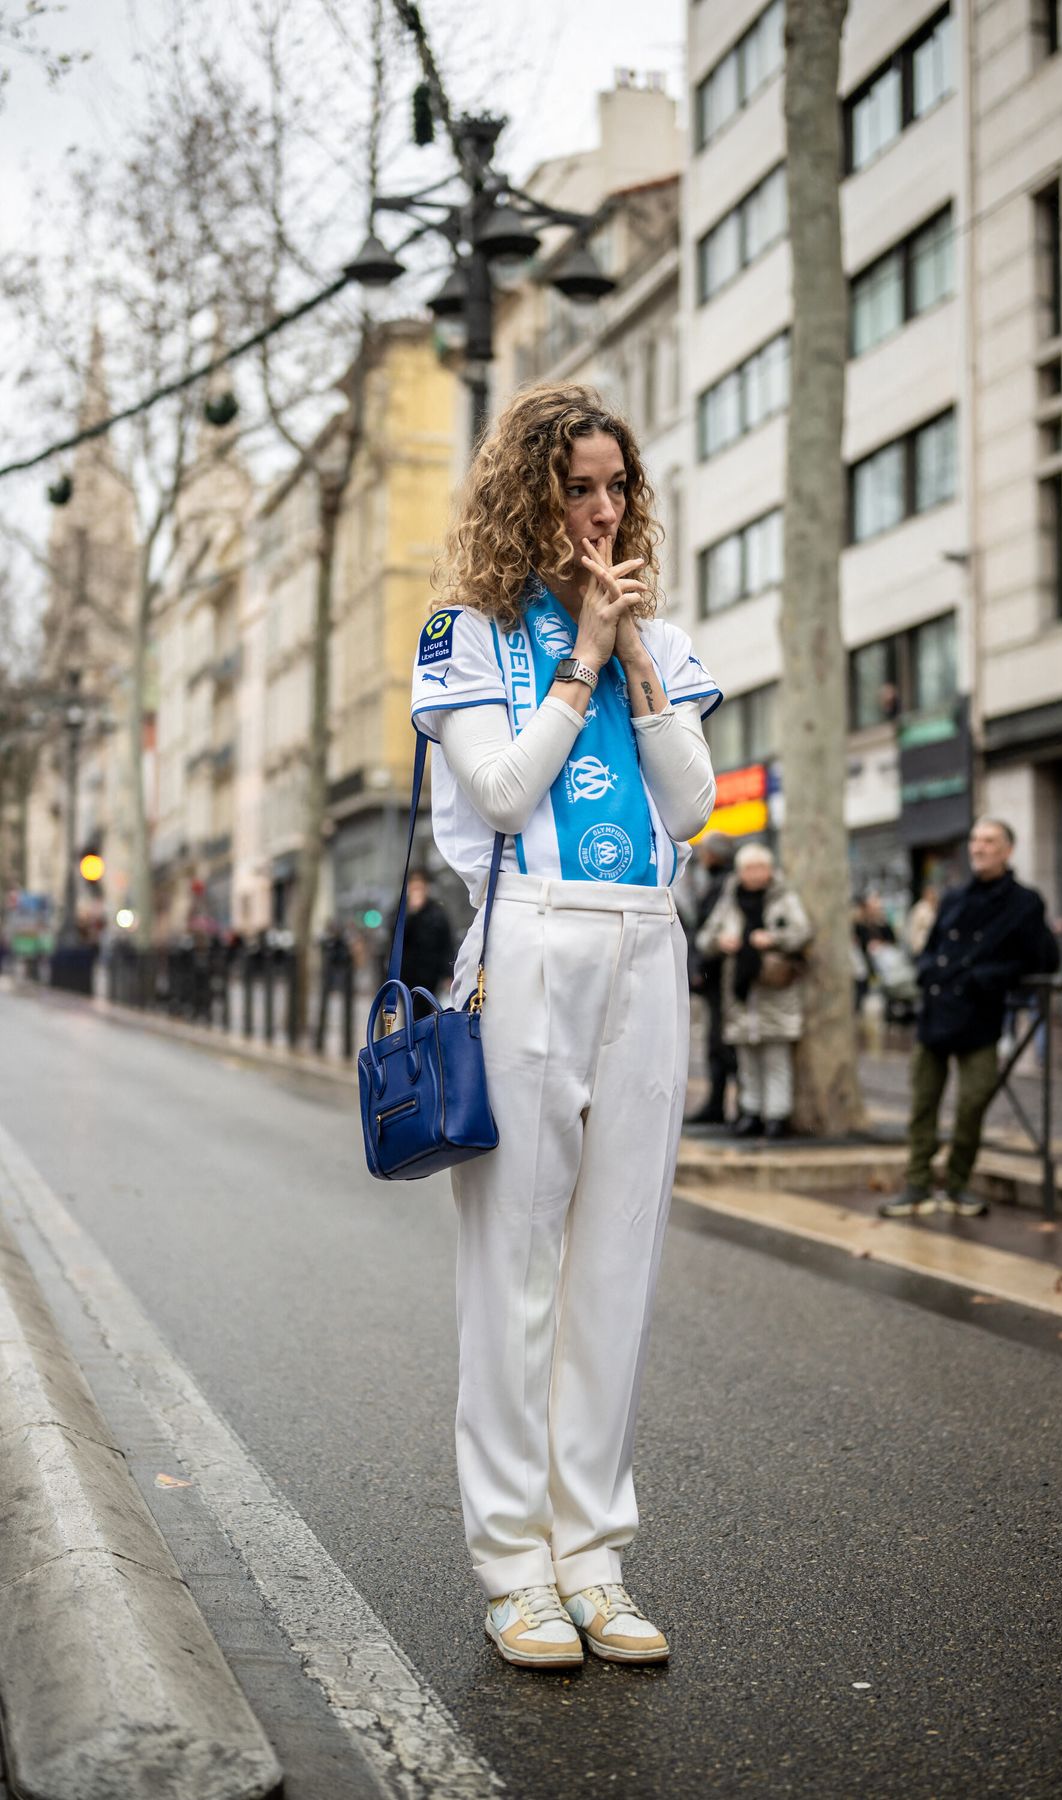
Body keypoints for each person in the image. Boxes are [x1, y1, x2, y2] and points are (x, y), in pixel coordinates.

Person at [409, 383, 720, 1671]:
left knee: (614, 1271)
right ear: (530, 495)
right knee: (516, 1271)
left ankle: (592, 1552)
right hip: (528, 936)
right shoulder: (467, 631)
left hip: (647, 938)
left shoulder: (662, 632)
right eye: (576, 488)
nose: (601, 511)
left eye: (615, 488)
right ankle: (512, 1564)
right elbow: (496, 788)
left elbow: (694, 804)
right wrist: (582, 657)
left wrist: (638, 657)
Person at [880, 817, 1052, 1221]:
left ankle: (958, 1183)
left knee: (973, 1104)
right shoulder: (954, 897)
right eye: (975, 840)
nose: (978, 848)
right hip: (936, 1010)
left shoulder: (1025, 902)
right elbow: (932, 946)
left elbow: (1040, 960)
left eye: (989, 841)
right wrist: (926, 971)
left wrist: (986, 978)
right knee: (923, 1104)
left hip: (980, 1015)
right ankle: (918, 1184)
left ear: (1008, 849)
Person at [695, 841, 812, 1141]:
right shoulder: (730, 899)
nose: (755, 874)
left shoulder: (783, 898)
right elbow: (705, 937)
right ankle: (750, 1112)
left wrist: (773, 938)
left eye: (761, 867)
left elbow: (802, 931)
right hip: (740, 994)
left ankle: (776, 1116)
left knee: (775, 1057)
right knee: (746, 1059)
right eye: (749, 868)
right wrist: (722, 941)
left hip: (775, 991)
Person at [684, 832, 738, 1124]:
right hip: (714, 977)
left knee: (723, 1043)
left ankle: (727, 1105)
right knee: (717, 1043)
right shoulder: (716, 883)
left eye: (706, 852)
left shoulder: (725, 886)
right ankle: (718, 1103)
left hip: (722, 978)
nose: (702, 857)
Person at [398, 868, 453, 999]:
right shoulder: (401, 909)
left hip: (431, 975)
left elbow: (446, 943)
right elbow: (396, 938)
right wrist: (412, 912)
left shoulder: (436, 911)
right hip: (407, 974)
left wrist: (448, 974)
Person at [905, 884, 939, 959]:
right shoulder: (920, 909)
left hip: (934, 946)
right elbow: (913, 928)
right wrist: (915, 945)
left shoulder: (936, 908)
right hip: (922, 946)